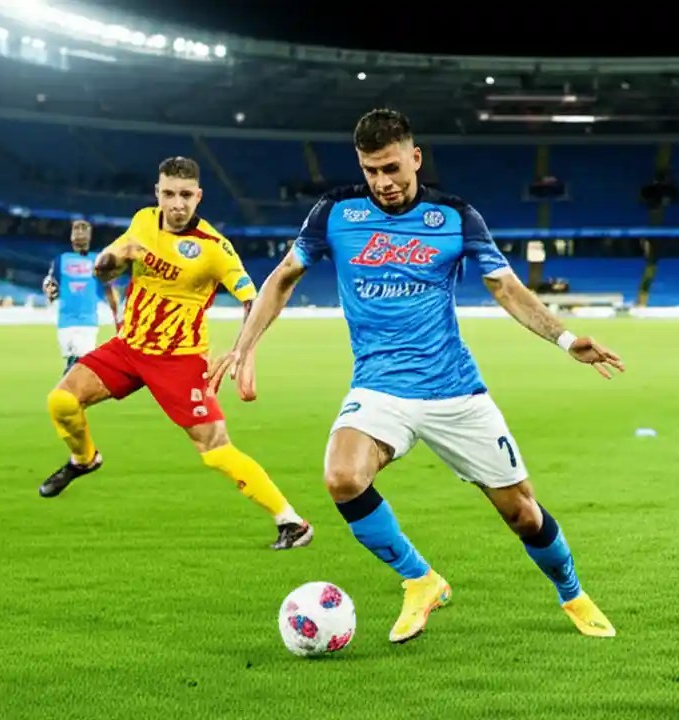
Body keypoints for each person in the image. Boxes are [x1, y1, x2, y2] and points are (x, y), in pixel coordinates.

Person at [208, 109, 624, 644]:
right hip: (378, 387)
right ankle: (420, 580)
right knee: (342, 477)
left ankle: (572, 592)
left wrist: (567, 340)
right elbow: (283, 277)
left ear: (415, 158)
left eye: (391, 168)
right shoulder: (336, 212)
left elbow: (506, 287)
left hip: (455, 391)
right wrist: (244, 345)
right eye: (370, 170)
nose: (382, 183)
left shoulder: (454, 216)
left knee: (522, 513)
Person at [39, 156, 313, 551]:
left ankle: (292, 522)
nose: (177, 204)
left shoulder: (215, 248)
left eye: (186, 195)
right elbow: (104, 271)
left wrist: (242, 350)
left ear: (198, 196)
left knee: (215, 449)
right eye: (169, 194)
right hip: (128, 348)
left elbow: (255, 298)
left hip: (179, 361)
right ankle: (84, 459)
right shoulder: (142, 222)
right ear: (157, 193)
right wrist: (113, 259)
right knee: (61, 401)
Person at [43, 220, 120, 373]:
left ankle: (69, 393)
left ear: (90, 236)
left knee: (81, 363)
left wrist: (118, 316)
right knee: (73, 363)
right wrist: (49, 291)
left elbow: (109, 289)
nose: (80, 232)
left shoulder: (99, 260)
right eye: (76, 229)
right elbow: (50, 284)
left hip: (87, 322)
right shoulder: (60, 260)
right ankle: (68, 392)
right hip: (65, 322)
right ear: (71, 236)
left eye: (84, 229)